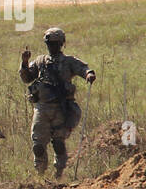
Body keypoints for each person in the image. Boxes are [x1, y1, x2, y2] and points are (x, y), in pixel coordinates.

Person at [19, 26, 96, 178]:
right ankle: (40, 174)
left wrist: (89, 74)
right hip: (42, 108)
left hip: (61, 108)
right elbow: (26, 78)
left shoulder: (69, 62)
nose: (51, 47)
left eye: (55, 43)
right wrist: (25, 63)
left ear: (61, 44)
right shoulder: (41, 61)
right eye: (49, 44)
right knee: (38, 145)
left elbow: (83, 68)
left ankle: (58, 175)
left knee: (59, 143)